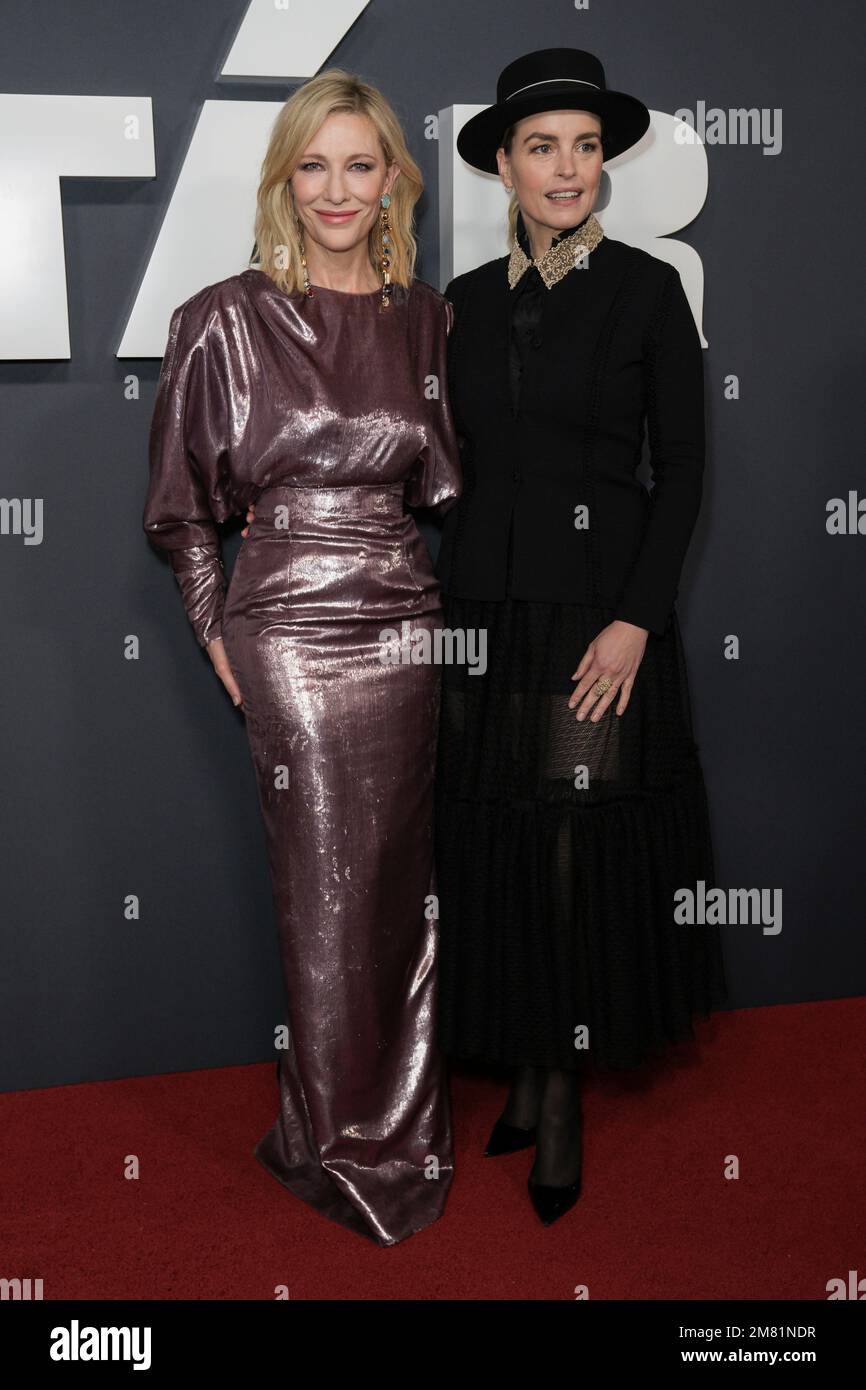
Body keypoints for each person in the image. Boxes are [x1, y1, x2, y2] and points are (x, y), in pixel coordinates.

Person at [143, 69, 462, 1246]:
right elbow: (181, 510)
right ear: (285, 179)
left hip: (406, 624)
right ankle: (339, 1143)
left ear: (391, 184)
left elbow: (437, 481)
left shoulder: (423, 317)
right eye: (313, 165)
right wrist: (215, 628)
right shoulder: (222, 316)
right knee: (327, 897)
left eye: (358, 165)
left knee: (400, 890)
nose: (336, 189)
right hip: (284, 626)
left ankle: (404, 1127)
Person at [434, 48, 727, 1225]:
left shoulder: (649, 290)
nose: (567, 168)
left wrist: (635, 622)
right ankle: (517, 1064)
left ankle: (554, 1086)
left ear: (606, 162)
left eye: (586, 146)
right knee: (494, 844)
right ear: (501, 165)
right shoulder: (454, 301)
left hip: (597, 617)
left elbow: (686, 467)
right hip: (481, 615)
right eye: (541, 146)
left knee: (566, 841)